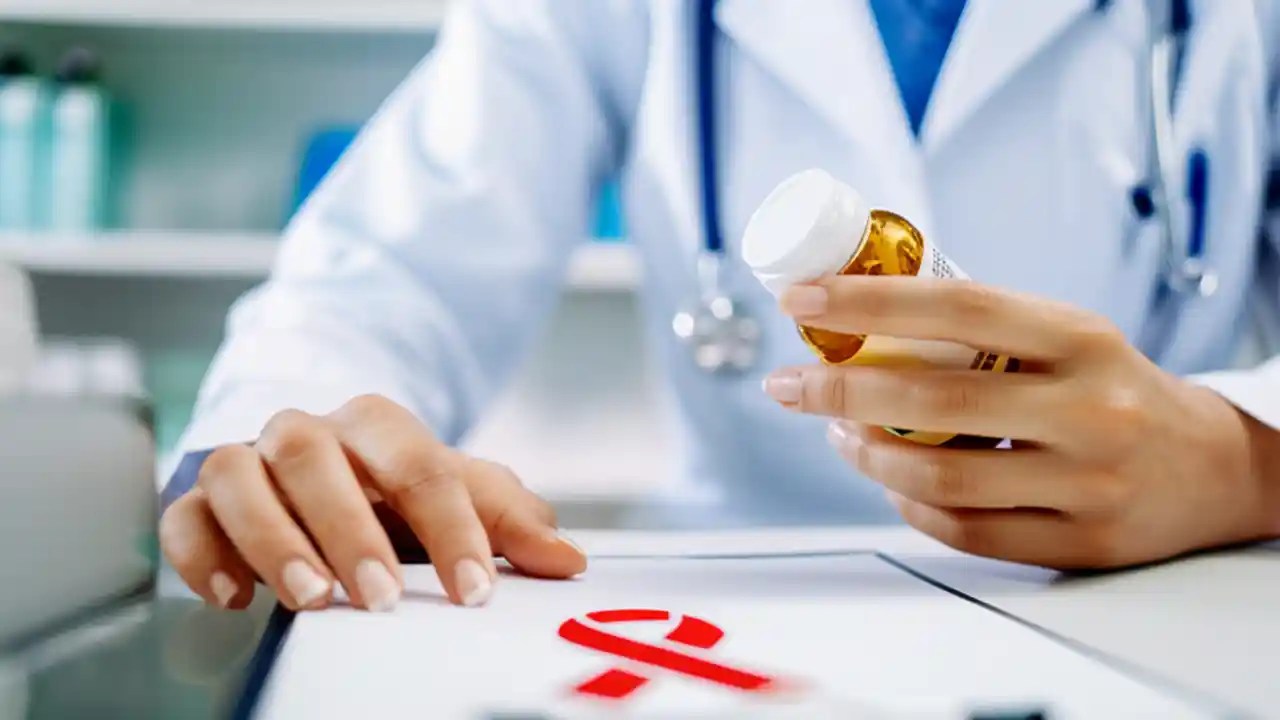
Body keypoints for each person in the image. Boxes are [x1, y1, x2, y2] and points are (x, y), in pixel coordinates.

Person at [159, 1, 1280, 614]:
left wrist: (1243, 461)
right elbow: (380, 275)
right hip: (741, 590)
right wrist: (296, 429)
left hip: (1153, 595)